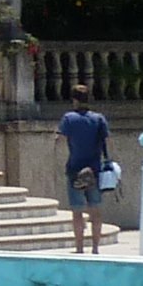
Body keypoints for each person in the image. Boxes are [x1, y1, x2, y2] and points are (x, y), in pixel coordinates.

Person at [58, 82, 112, 253]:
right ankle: (95, 248)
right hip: (94, 170)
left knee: (77, 211)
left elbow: (59, 140)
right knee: (95, 210)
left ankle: (80, 248)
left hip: (75, 169)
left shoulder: (69, 118)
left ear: (74, 100)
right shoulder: (98, 119)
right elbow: (108, 142)